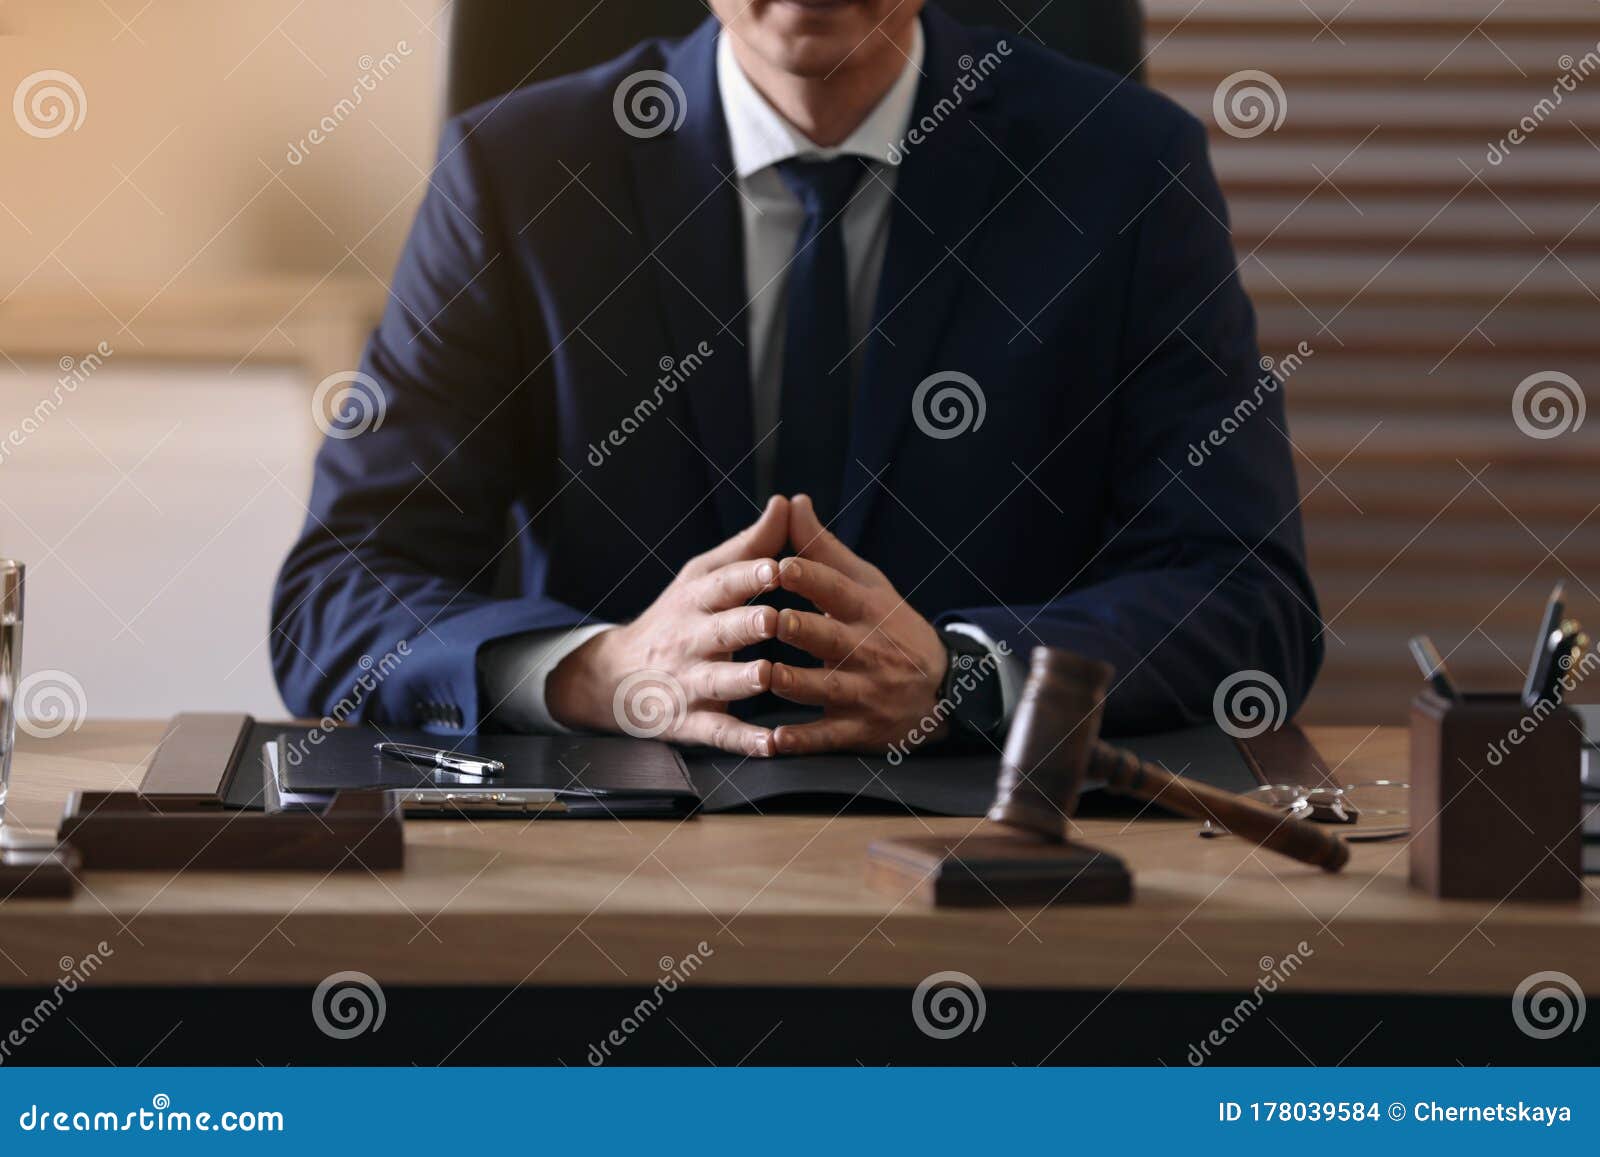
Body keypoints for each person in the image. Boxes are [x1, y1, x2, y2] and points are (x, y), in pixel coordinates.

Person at [271, 1, 1322, 757]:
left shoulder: (1127, 167)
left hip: (989, 859)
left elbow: (1245, 592)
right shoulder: (514, 172)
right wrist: (599, 671)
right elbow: (336, 593)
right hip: (602, 849)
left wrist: (960, 678)